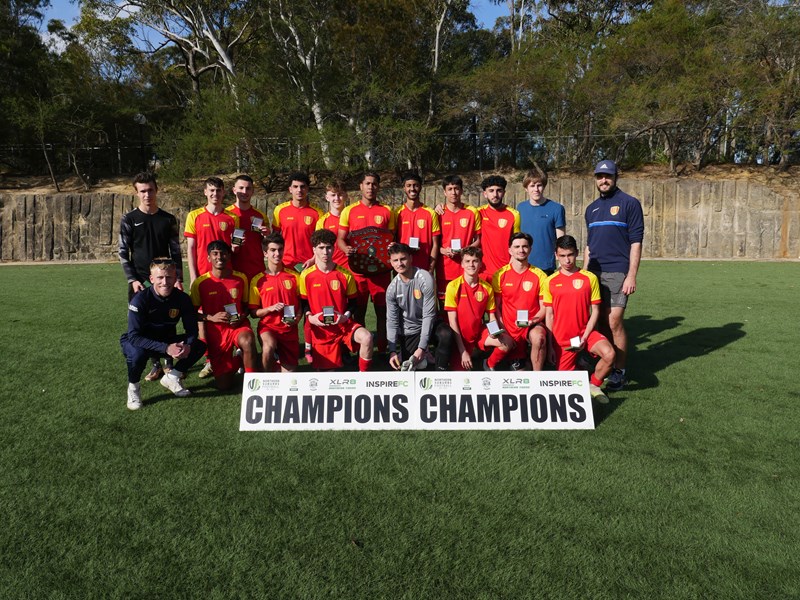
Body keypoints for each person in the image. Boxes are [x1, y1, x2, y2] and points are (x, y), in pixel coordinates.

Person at [583, 160, 644, 391]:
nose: (603, 180)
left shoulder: (629, 204)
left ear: (616, 177)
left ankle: (619, 371)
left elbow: (636, 242)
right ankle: (603, 361)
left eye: (607, 176)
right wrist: (585, 273)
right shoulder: (592, 209)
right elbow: (590, 246)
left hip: (618, 271)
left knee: (614, 321)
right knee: (597, 320)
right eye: (599, 176)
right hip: (593, 274)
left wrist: (631, 275)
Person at [119, 171, 184, 382]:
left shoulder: (168, 219)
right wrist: (133, 279)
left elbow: (175, 251)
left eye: (151, 190)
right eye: (143, 191)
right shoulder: (129, 219)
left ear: (157, 190)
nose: (148, 194)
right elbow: (122, 252)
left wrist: (179, 278)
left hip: (165, 280)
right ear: (137, 193)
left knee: (169, 320)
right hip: (141, 282)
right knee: (144, 325)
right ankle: (155, 364)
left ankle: (169, 362)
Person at [120, 258, 206, 410]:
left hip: (165, 339)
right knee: (137, 355)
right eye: (160, 277)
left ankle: (172, 377)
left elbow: (192, 330)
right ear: (152, 279)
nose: (165, 282)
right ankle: (133, 388)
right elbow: (134, 336)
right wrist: (166, 348)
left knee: (198, 346)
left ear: (175, 278)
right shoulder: (139, 300)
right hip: (140, 341)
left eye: (169, 277)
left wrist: (187, 345)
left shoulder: (182, 299)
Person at [543, 235, 615, 403]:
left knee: (610, 354)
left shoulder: (589, 278)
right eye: (562, 256)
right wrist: (551, 345)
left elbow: (595, 310)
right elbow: (549, 314)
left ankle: (594, 384)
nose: (567, 260)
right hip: (562, 339)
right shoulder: (549, 281)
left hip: (586, 332)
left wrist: (585, 336)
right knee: (565, 390)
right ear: (556, 255)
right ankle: (579, 368)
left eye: (570, 255)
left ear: (577, 253)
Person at [184, 176, 237, 379]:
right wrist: (193, 275)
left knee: (227, 316)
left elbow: (234, 248)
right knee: (203, 320)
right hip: (204, 277)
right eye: (211, 191)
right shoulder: (194, 216)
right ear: (205, 192)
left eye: (219, 190)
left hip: (226, 277)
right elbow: (190, 248)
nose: (215, 194)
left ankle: (229, 355)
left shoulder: (232, 218)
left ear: (224, 192)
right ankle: (209, 360)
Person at [337, 171, 396, 350]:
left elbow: (391, 237)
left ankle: (384, 349)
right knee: (359, 310)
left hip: (381, 271)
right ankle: (359, 348)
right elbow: (340, 238)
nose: (371, 187)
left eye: (374, 184)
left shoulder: (387, 211)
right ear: (361, 186)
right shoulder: (349, 210)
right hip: (358, 270)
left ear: (378, 186)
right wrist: (346, 248)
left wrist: (391, 245)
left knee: (383, 312)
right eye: (367, 183)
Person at [299, 229, 374, 371]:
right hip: (322, 330)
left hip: (342, 325)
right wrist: (310, 317)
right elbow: (304, 302)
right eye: (321, 248)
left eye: (328, 247)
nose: (325, 252)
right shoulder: (306, 275)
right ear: (314, 250)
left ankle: (364, 379)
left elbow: (353, 303)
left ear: (334, 248)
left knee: (367, 338)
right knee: (327, 375)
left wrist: (344, 317)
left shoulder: (345, 274)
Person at [189, 240, 259, 391]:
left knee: (247, 341)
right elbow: (191, 314)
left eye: (223, 253)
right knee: (224, 385)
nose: (219, 257)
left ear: (229, 256)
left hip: (238, 326)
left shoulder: (241, 278)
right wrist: (210, 318)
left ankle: (252, 384)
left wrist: (242, 316)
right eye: (215, 254)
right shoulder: (200, 283)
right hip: (216, 334)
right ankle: (240, 359)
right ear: (208, 258)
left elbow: (248, 307)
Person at [272, 171, 322, 362]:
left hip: (309, 267)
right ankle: (281, 345)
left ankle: (309, 346)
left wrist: (313, 258)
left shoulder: (317, 213)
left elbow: (319, 242)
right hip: (285, 269)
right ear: (290, 189)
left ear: (307, 189)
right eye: (295, 187)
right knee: (285, 308)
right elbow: (275, 240)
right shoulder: (280, 211)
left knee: (309, 308)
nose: (299, 190)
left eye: (303, 187)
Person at [437, 247, 512, 371]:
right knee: (462, 378)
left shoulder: (487, 288)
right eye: (467, 261)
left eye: (475, 261)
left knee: (507, 342)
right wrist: (462, 351)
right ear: (461, 263)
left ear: (481, 263)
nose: (471, 264)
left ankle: (488, 364)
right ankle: (469, 353)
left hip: (478, 334)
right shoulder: (453, 286)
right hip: (459, 339)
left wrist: (494, 331)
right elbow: (452, 322)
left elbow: (492, 316)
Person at [491, 232, 548, 370]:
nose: (521, 250)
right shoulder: (500, 275)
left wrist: (532, 321)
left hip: (531, 324)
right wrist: (501, 326)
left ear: (530, 249)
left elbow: (544, 308)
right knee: (519, 374)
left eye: (525, 246)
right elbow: (496, 307)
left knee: (539, 337)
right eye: (516, 247)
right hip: (508, 326)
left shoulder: (540, 275)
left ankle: (538, 378)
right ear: (510, 250)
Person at [248, 233, 301, 372]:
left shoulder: (295, 276)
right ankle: (266, 380)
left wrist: (297, 319)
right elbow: (254, 313)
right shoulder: (258, 280)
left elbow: (302, 304)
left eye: (280, 249)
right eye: (273, 250)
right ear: (265, 253)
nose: (277, 253)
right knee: (268, 346)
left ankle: (278, 362)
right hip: (268, 327)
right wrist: (270, 309)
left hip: (289, 330)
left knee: (290, 376)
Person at [385, 243, 437, 371]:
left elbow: (429, 315)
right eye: (395, 260)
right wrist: (392, 350)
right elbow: (391, 321)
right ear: (391, 263)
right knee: (408, 368)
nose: (400, 264)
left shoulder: (425, 278)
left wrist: (422, 347)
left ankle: (441, 370)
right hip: (409, 330)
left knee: (445, 335)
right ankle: (407, 353)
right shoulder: (392, 289)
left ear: (410, 258)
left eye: (403, 259)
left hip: (429, 324)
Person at [436, 175, 481, 299]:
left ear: (461, 190)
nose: (453, 192)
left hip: (467, 269)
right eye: (449, 189)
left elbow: (478, 239)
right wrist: (444, 250)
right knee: (445, 307)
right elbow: (434, 242)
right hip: (444, 269)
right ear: (444, 192)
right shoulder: (438, 213)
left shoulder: (472, 212)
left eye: (456, 188)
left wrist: (465, 251)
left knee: (466, 305)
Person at [517, 168, 566, 274]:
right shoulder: (520, 208)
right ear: (526, 188)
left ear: (544, 186)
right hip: (524, 264)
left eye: (539, 185)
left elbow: (561, 239)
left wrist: (561, 261)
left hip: (546, 266)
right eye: (532, 186)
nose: (536, 189)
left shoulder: (556, 208)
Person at [225, 174, 270, 282]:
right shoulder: (226, 215)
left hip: (257, 270)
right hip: (233, 270)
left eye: (248, 188)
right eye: (241, 188)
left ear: (252, 191)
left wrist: (267, 236)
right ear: (234, 190)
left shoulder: (260, 216)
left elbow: (266, 244)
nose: (245, 192)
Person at [394, 172, 440, 274]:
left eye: (416, 185)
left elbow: (435, 244)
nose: (412, 189)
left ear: (420, 187)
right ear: (404, 188)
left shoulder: (431, 213)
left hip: (423, 268)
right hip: (402, 269)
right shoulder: (397, 213)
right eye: (409, 186)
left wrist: (431, 269)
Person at [476, 175, 520, 281]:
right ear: (485, 194)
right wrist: (440, 207)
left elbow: (516, 243)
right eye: (491, 191)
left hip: (505, 271)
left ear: (504, 192)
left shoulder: (514, 214)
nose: (495, 195)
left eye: (499, 190)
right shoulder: (478, 213)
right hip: (482, 271)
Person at [315, 179, 350, 270]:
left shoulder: (353, 216)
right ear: (327, 197)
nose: (337, 198)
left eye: (340, 194)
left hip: (354, 267)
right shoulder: (322, 222)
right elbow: (319, 248)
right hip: (333, 268)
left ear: (345, 196)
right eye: (333, 195)